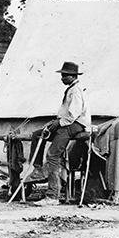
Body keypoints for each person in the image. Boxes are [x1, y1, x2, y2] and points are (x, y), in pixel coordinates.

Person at [28, 61, 92, 204]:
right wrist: (54, 122)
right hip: (67, 122)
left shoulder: (76, 90)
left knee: (52, 155)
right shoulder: (71, 88)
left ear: (73, 76)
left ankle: (52, 196)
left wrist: (60, 123)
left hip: (75, 124)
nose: (62, 78)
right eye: (62, 75)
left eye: (64, 76)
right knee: (38, 134)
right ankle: (37, 168)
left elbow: (74, 112)